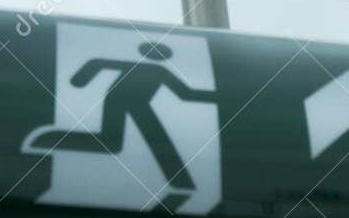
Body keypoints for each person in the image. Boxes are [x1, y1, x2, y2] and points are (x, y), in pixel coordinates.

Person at [26, 41, 214, 191]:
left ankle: (180, 181)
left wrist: (82, 79)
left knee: (112, 142)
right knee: (114, 141)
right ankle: (180, 181)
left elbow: (185, 94)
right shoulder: (155, 70)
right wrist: (81, 79)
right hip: (121, 100)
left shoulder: (160, 72)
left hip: (135, 103)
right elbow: (100, 64)